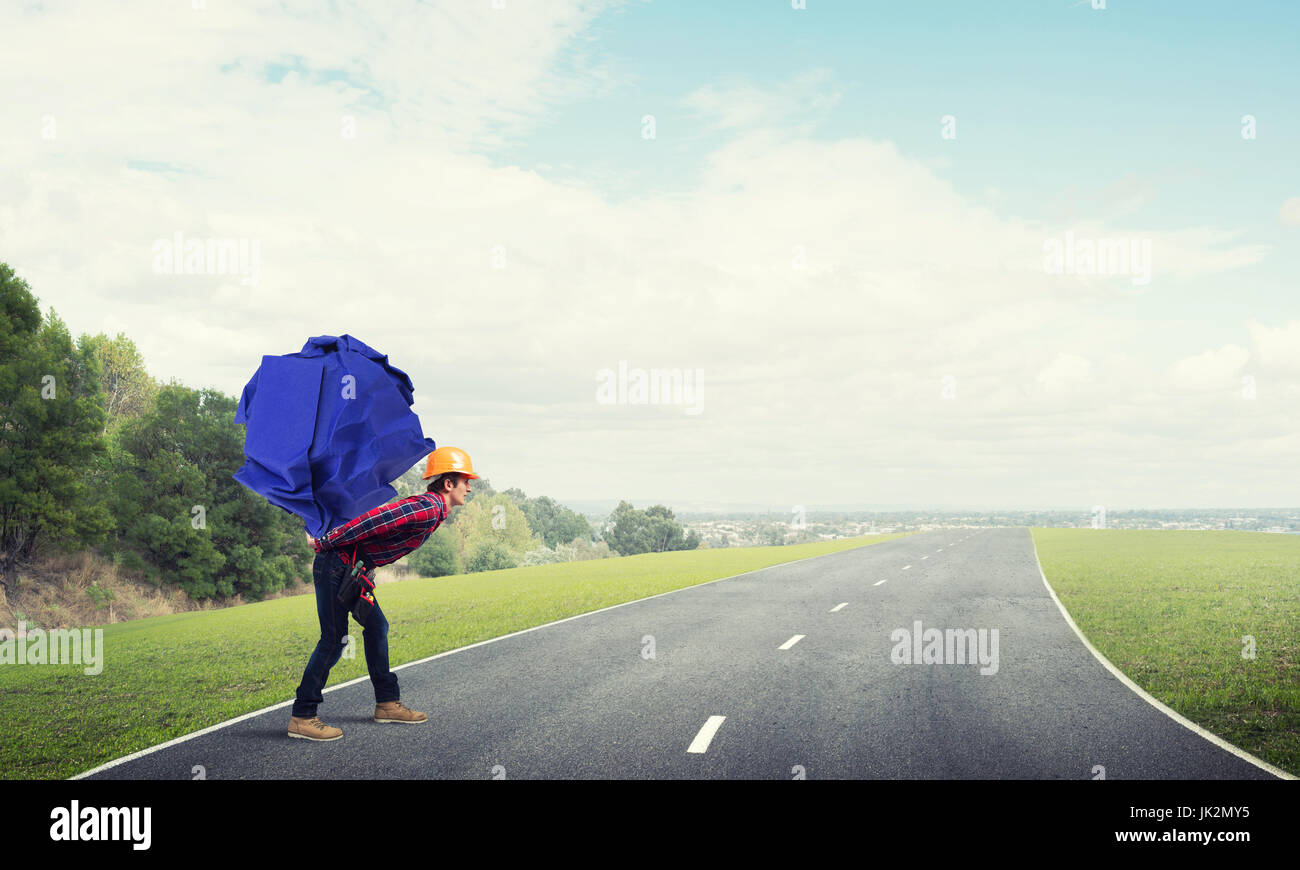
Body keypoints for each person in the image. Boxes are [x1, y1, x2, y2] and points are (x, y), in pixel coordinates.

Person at [287, 446, 479, 741]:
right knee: (334, 638)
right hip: (336, 564)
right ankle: (302, 716)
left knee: (377, 626)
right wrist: (325, 542)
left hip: (352, 569)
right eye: (465, 480)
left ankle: (387, 704)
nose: (469, 486)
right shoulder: (427, 507)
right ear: (448, 483)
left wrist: (366, 569)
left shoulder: (436, 511)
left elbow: (380, 538)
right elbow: (375, 520)